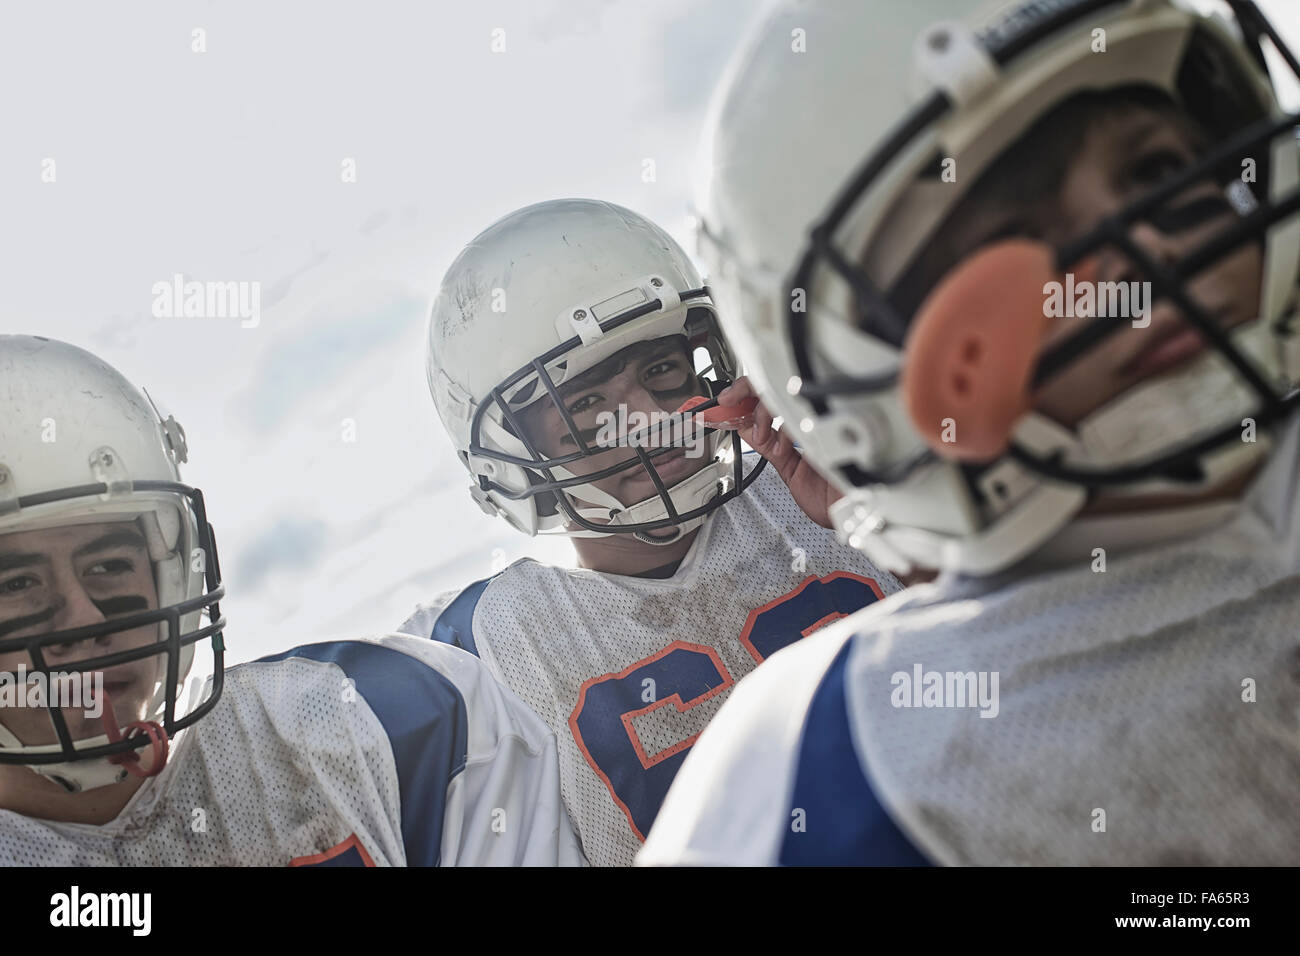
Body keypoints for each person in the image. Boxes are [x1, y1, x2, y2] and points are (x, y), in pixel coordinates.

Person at [640, 0, 1300, 865]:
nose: (1145, 253)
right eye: (1009, 244)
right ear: (861, 369)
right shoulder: (842, 768)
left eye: (1159, 169)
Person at [400, 198, 901, 865]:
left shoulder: (827, 481)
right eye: (584, 403)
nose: (645, 417)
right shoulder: (488, 653)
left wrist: (894, 522)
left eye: (660, 369)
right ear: (512, 453)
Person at [0, 335, 581, 866]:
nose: (85, 617)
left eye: (109, 566)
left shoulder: (383, 723)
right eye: (15, 584)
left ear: (171, 573)